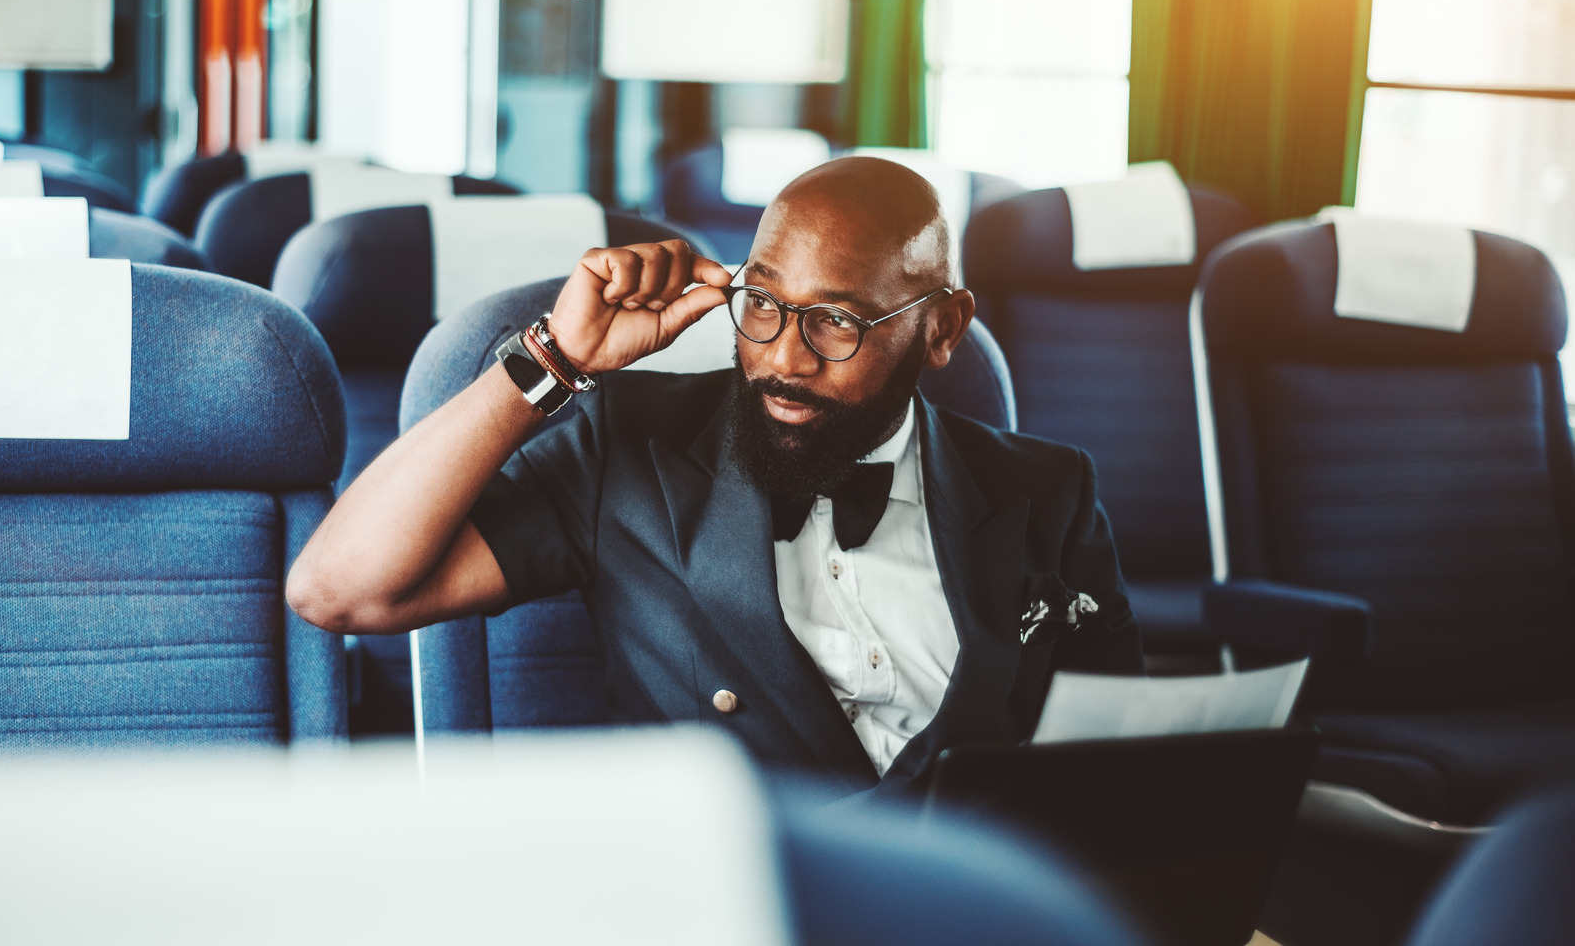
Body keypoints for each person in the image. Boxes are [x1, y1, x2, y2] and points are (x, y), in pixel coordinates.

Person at [288, 156, 1142, 796]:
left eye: (836, 321)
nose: (782, 357)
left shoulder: (1047, 492)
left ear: (943, 329)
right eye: (763, 303)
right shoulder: (631, 449)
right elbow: (339, 589)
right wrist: (558, 358)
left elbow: (1127, 772)